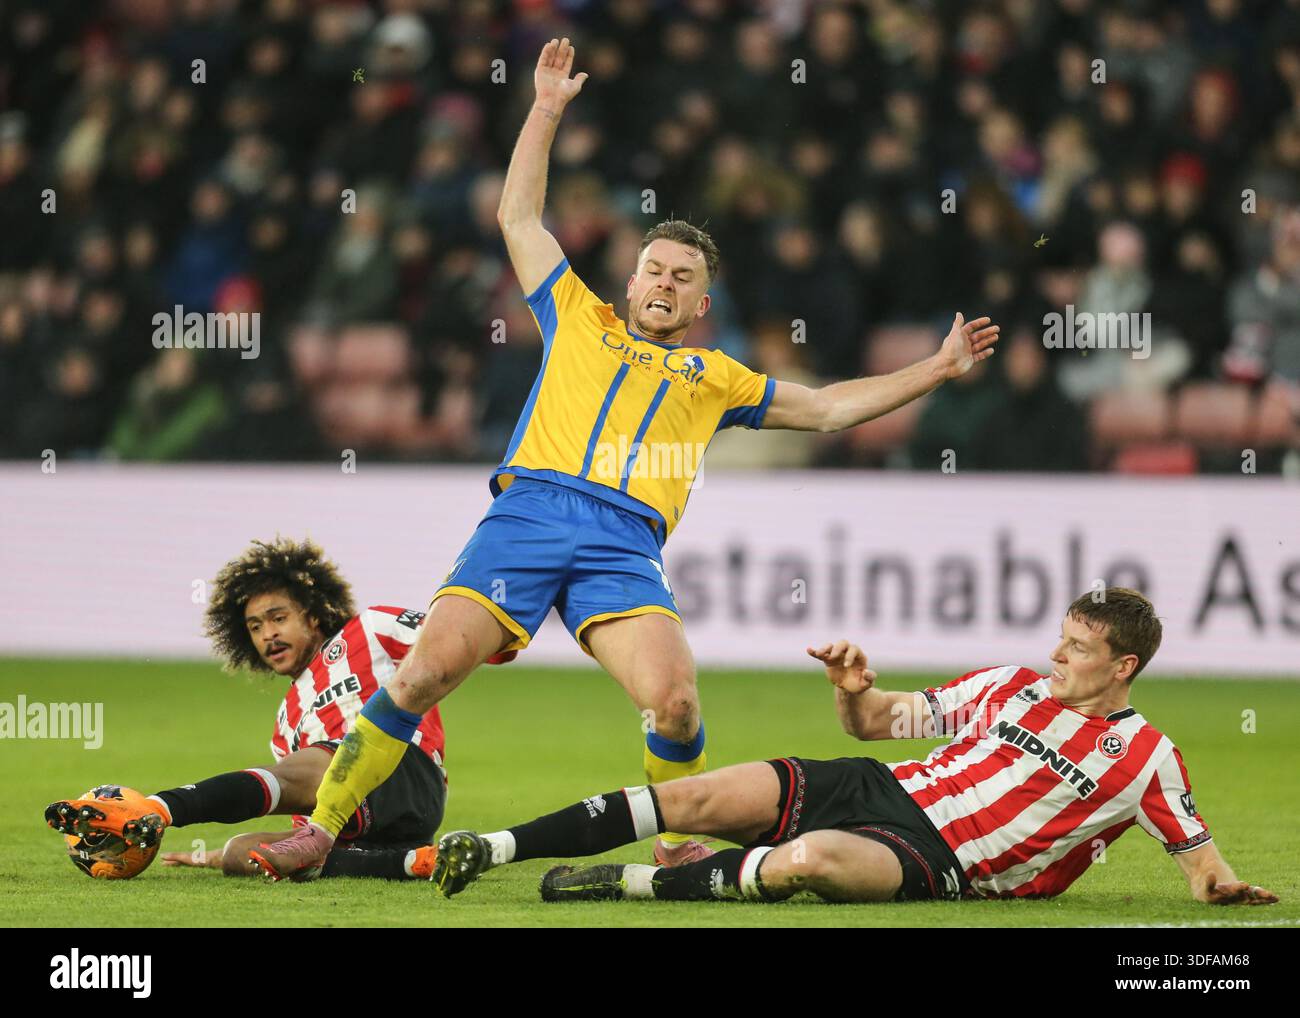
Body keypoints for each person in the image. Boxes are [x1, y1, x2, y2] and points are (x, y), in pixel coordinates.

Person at [253, 37, 999, 881]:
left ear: (700, 301)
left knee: (675, 705)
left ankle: (676, 843)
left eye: (683, 276)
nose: (664, 281)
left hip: (623, 544)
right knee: (421, 674)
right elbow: (518, 219)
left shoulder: (716, 378)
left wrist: (936, 369)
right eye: (653, 267)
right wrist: (544, 110)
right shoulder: (578, 317)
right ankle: (320, 828)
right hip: (527, 518)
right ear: (631, 275)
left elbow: (827, 408)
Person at [434, 589, 1278, 908]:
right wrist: (851, 690)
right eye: (1059, 640)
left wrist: (1229, 891)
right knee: (693, 798)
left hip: (942, 860)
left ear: (1123, 666)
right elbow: (879, 724)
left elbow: (1202, 868)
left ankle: (633, 885)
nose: (1056, 657)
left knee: (810, 860)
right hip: (878, 784)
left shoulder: (1148, 760)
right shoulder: (1009, 686)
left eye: (1077, 650)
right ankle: (493, 845)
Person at [43, 538, 505, 881]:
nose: (268, 635)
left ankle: (157, 808)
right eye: (255, 627)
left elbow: (450, 636)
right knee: (239, 853)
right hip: (362, 822)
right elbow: (309, 811)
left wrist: (494, 636)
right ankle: (412, 862)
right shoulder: (286, 721)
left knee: (309, 768)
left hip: (404, 773)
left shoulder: (369, 629)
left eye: (278, 618)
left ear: (311, 614)